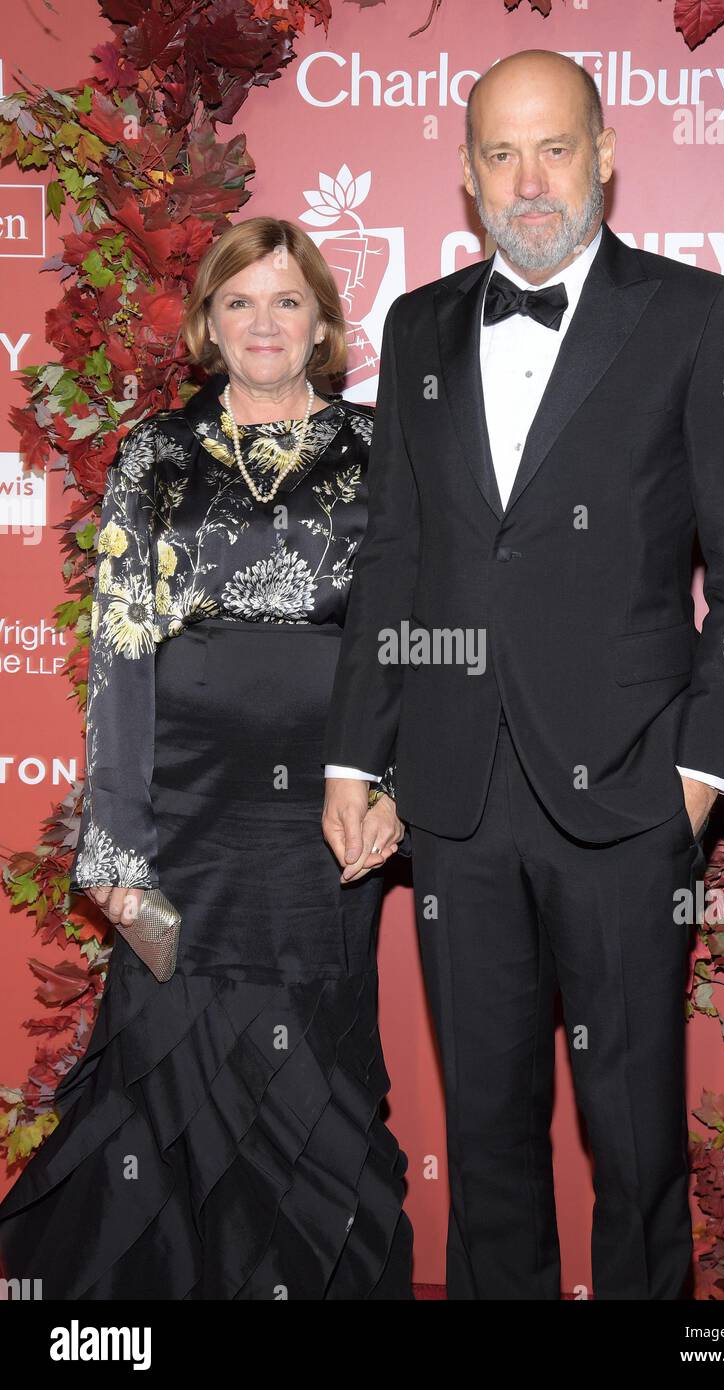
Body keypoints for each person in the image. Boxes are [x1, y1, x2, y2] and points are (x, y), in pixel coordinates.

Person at [322, 49, 724, 1299]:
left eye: (554, 148)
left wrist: (698, 777)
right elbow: (394, 559)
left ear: (606, 152)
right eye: (499, 154)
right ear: (467, 175)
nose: (529, 182)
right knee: (484, 1145)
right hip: (456, 798)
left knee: (635, 1148)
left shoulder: (695, 317)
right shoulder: (418, 323)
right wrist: (357, 756)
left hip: (631, 795)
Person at [0, 216, 413, 1300]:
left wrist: (391, 790)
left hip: (329, 816)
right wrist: (116, 845)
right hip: (180, 814)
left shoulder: (386, 450)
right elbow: (122, 648)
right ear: (206, 325)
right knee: (168, 1055)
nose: (264, 322)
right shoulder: (156, 452)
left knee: (310, 1060)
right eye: (239, 301)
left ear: (323, 319)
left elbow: (414, 636)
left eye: (286, 300)